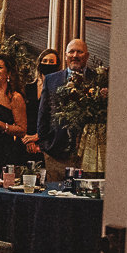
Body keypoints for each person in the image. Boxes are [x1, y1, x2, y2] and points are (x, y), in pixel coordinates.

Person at [34, 38, 90, 181]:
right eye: (71, 51)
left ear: (87, 56)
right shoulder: (51, 79)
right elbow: (43, 114)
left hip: (87, 156)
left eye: (79, 52)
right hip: (55, 153)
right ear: (65, 55)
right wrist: (45, 144)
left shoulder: (98, 79)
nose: (75, 55)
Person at [22, 47, 59, 141]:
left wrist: (37, 137)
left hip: (47, 139)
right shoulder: (28, 87)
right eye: (45, 61)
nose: (47, 64)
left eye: (51, 62)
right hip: (25, 138)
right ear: (39, 63)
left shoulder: (59, 90)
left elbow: (55, 121)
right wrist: (28, 139)